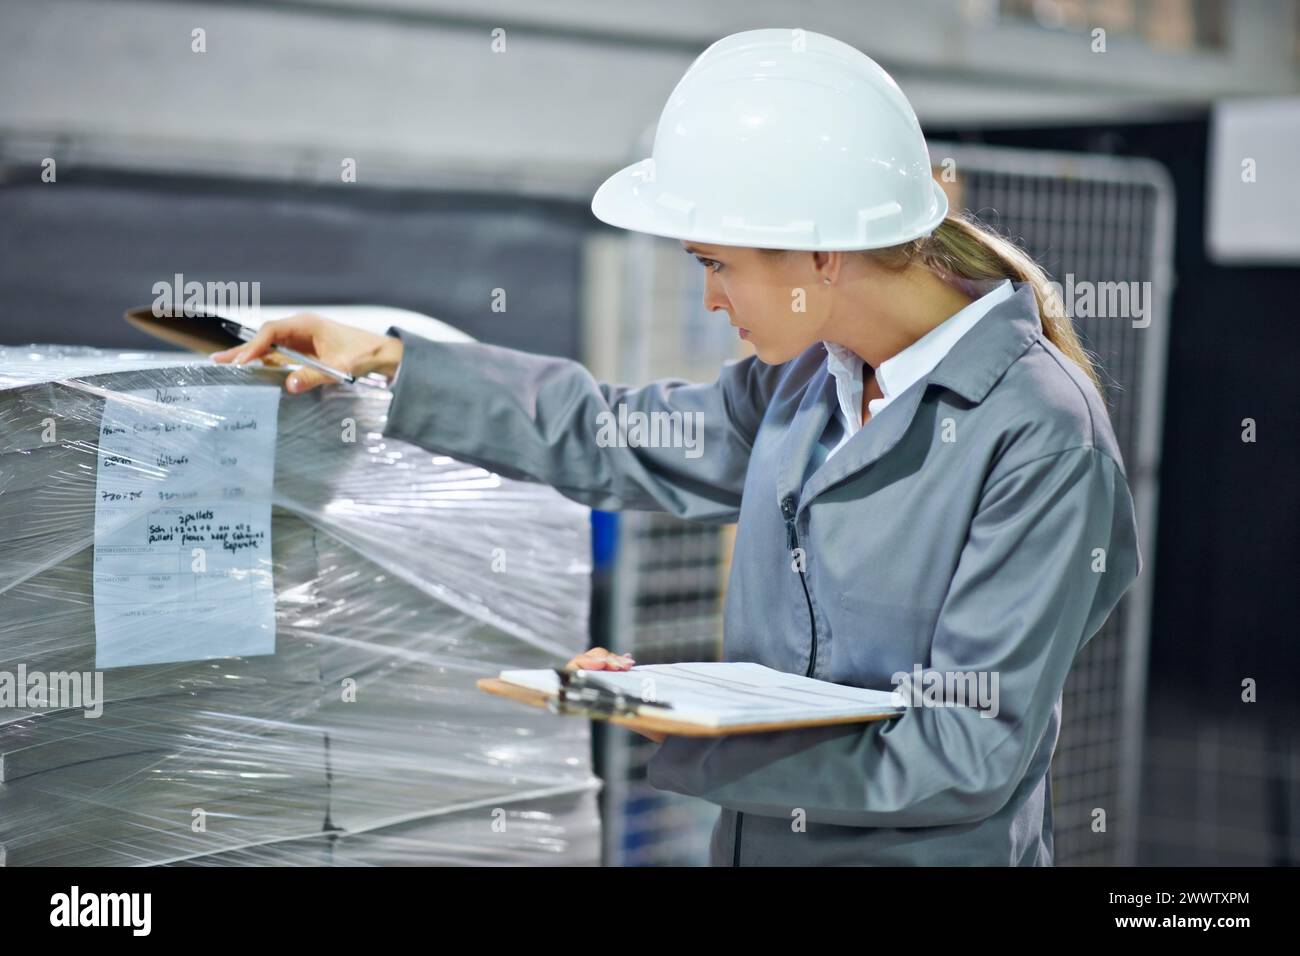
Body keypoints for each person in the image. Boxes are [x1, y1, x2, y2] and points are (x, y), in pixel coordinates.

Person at [213, 28, 1142, 866]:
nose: (709, 301)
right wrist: (392, 361)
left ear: (819, 252)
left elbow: (964, 750)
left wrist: (690, 732)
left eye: (716, 265)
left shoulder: (1040, 437)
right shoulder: (804, 381)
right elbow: (611, 434)